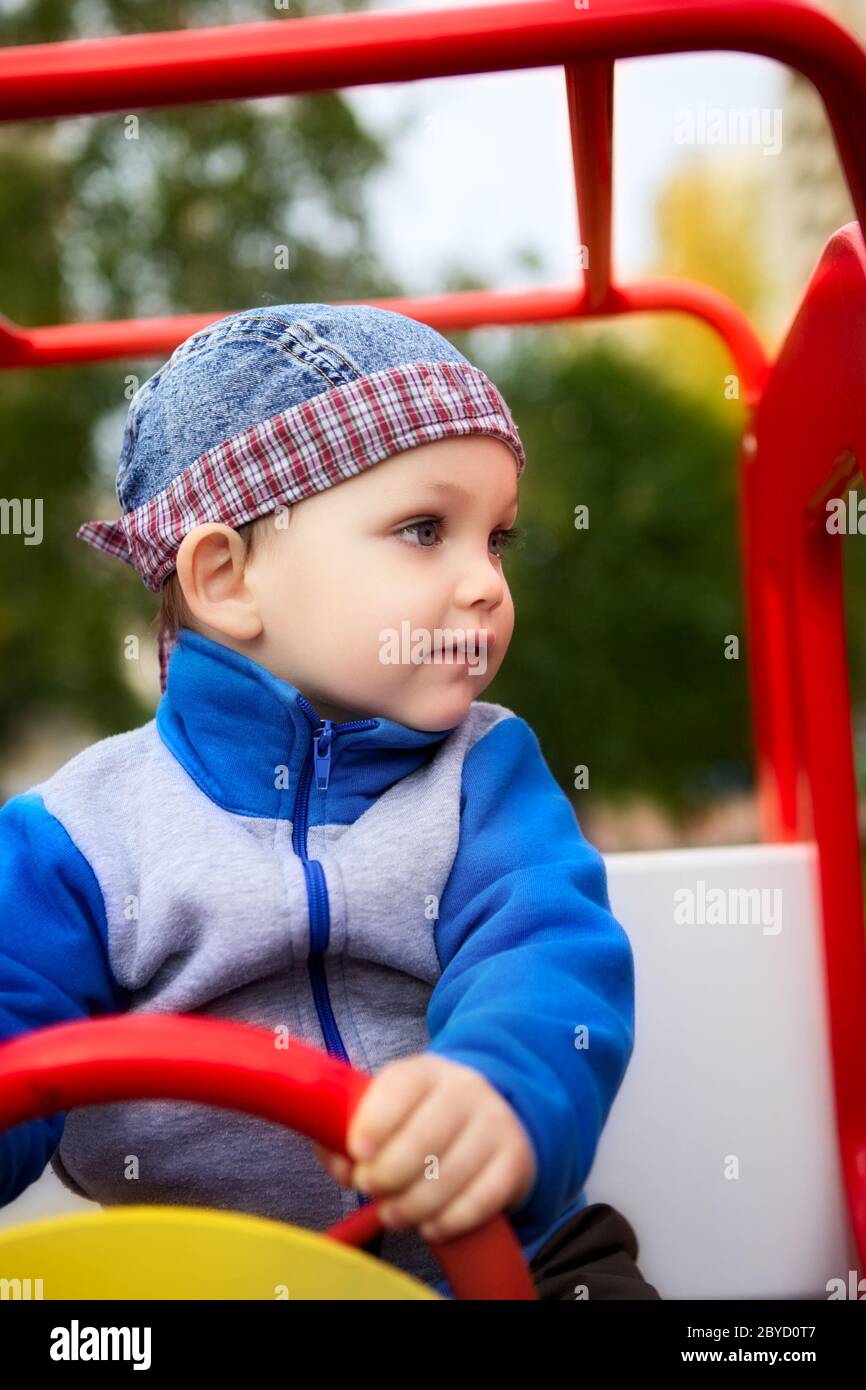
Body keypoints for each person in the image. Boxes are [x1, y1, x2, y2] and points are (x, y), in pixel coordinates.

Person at [0, 302, 659, 1300]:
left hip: (490, 1263)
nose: (484, 584)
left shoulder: (485, 777)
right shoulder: (77, 838)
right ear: (226, 579)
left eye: (497, 539)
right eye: (424, 529)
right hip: (197, 1284)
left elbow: (546, 954)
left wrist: (497, 1090)